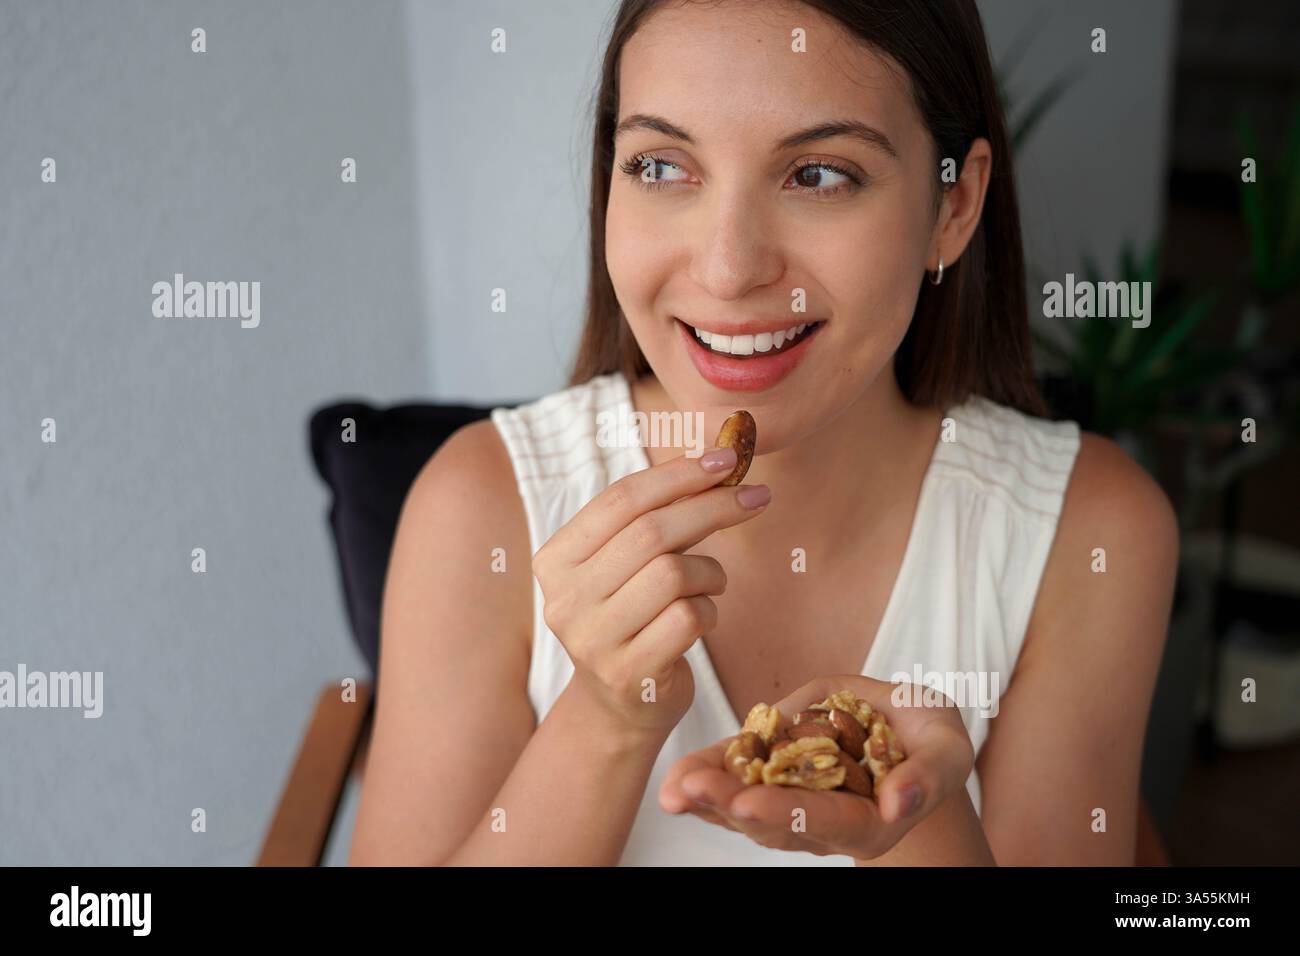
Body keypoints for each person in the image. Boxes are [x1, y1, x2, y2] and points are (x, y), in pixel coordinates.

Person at [349, 0, 1178, 866]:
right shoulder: (476, 506)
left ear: (953, 207)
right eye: (663, 166)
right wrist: (603, 718)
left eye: (819, 175)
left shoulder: (1091, 528)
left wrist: (919, 814)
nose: (729, 267)